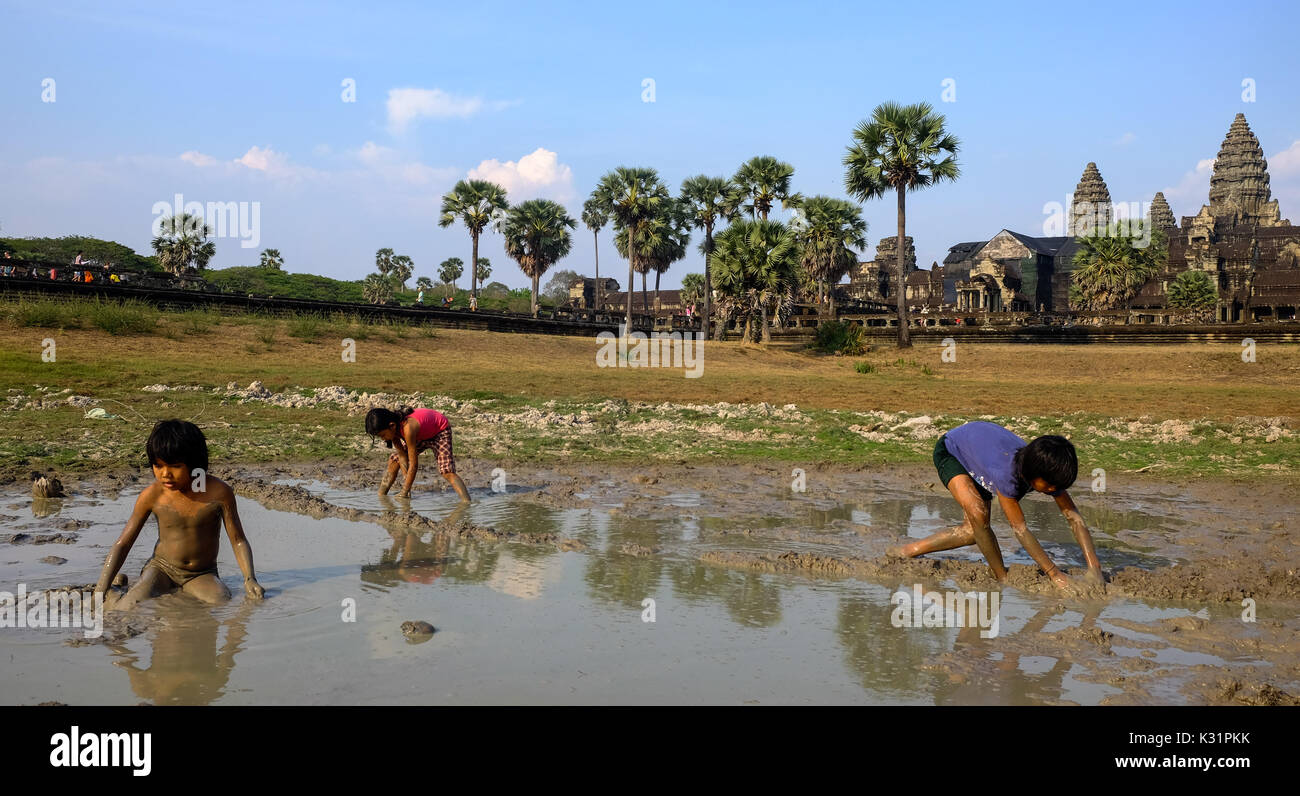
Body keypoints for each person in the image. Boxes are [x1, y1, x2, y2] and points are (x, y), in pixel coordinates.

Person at [887, 421, 1103, 592]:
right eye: (1050, 486)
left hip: (981, 455)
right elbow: (1020, 529)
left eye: (1059, 486)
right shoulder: (1007, 476)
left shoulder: (1045, 473)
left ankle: (906, 551)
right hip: (952, 450)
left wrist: (1095, 569)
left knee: (972, 532)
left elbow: (1073, 517)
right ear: (1032, 474)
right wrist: (1054, 574)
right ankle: (1001, 577)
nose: (1055, 490)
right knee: (979, 518)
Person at [95, 420, 265, 610]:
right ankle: (115, 591)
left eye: (175, 466)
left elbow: (238, 540)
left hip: (201, 573)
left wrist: (249, 579)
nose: (165, 474)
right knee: (129, 607)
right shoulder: (152, 495)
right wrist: (100, 590)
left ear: (194, 464)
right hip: (161, 568)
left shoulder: (219, 493)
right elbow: (123, 544)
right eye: (158, 466)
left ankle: (126, 585)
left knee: (221, 602)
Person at [365, 407, 471, 502]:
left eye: (383, 435)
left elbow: (414, 465)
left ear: (392, 425)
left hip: (440, 431)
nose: (383, 439)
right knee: (394, 460)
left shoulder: (408, 428)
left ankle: (467, 503)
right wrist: (407, 487)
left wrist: (404, 491)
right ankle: (381, 496)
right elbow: (402, 457)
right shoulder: (394, 432)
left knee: (446, 471)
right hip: (422, 435)